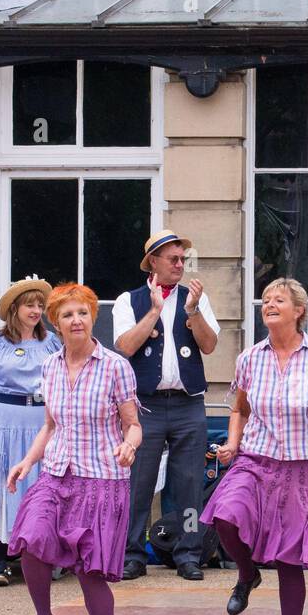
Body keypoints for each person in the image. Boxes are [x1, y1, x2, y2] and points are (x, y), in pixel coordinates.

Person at [201, 278, 308, 615]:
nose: (269, 304)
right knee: (224, 515)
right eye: (265, 300)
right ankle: (247, 575)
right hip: (257, 459)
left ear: (298, 310)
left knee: (288, 561)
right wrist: (232, 444)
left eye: (278, 300)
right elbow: (240, 409)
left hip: (302, 468)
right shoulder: (250, 358)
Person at [6, 283, 143, 615]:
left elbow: (133, 423)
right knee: (29, 541)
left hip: (101, 477)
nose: (76, 320)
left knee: (89, 572)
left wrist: (129, 446)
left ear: (91, 317)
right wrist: (27, 461)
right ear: (57, 323)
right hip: (56, 472)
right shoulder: (49, 366)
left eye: (82, 312)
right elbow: (50, 424)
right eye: (67, 315)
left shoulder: (115, 366)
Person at [113, 230, 219, 582]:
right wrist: (154, 313)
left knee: (189, 483)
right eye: (172, 259)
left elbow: (209, 345)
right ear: (153, 262)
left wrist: (193, 313)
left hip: (188, 401)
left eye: (182, 259)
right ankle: (132, 553)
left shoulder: (195, 298)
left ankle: (189, 552)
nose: (179, 265)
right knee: (138, 482)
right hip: (144, 404)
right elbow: (125, 347)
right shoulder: (129, 300)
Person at [0, 276, 61, 587]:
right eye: (29, 305)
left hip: (40, 419)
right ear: (15, 309)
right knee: (1, 482)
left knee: (41, 483)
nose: (36, 311)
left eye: (39, 305)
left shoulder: (51, 342)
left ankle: (42, 554)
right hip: (4, 418)